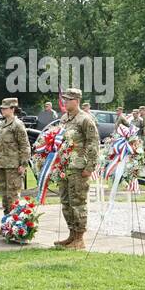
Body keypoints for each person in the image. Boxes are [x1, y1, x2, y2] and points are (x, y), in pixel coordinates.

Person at [54, 87, 99, 249]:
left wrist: (90, 166)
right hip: (65, 166)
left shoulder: (85, 119)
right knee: (66, 201)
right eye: (64, 99)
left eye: (68, 99)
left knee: (78, 202)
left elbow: (93, 143)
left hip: (79, 168)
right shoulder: (64, 119)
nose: (65, 102)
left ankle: (80, 238)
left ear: (77, 101)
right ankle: (71, 235)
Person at [0, 97, 30, 228]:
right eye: (2, 108)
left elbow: (25, 145)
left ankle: (15, 226)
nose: (2, 110)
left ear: (12, 109)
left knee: (13, 197)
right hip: (3, 165)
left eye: (5, 108)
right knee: (4, 196)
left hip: (14, 166)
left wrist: (23, 164)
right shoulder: (2, 124)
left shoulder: (17, 125)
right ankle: (6, 225)